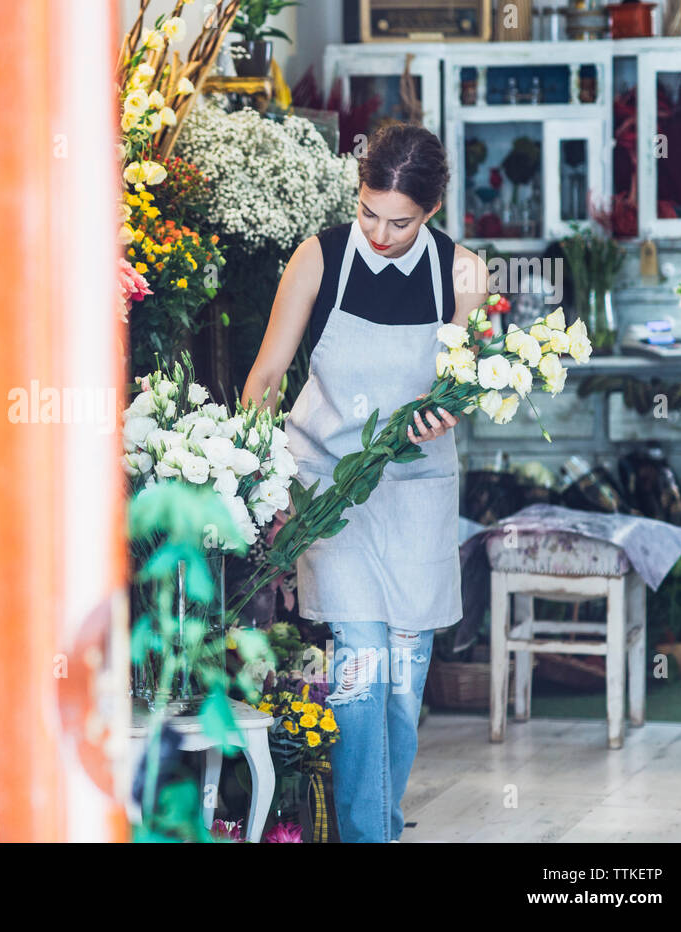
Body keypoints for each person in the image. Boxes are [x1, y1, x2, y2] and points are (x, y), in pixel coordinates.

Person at [241, 121, 489, 843]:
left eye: (401, 223)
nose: (380, 235)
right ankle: (369, 835)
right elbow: (263, 382)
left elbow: (464, 384)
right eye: (369, 214)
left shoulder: (463, 273)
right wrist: (271, 490)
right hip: (329, 490)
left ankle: (373, 825)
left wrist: (448, 410)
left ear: (433, 212)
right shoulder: (318, 260)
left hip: (417, 496)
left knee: (403, 686)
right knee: (361, 666)